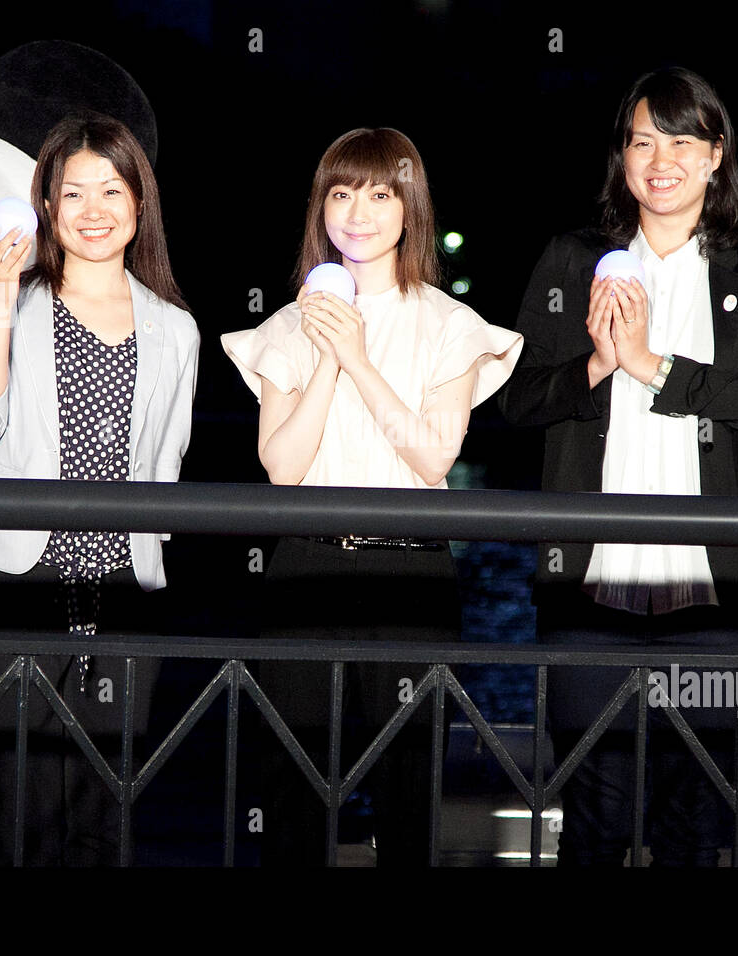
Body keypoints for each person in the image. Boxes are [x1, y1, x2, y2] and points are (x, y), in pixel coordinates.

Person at [499, 67, 738, 865]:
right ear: (621, 158)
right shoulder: (572, 260)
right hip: (589, 593)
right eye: (641, 141)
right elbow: (515, 403)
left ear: (715, 155)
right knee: (594, 822)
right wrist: (597, 366)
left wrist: (650, 363)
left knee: (699, 826)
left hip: (716, 600)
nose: (659, 159)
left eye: (681, 140)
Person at [221, 127, 522, 865]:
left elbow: (431, 455)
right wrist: (327, 359)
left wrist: (359, 355)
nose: (359, 211)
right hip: (306, 570)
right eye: (342, 192)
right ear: (321, 207)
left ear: (409, 205)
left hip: (409, 574)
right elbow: (283, 468)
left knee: (407, 791)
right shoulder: (290, 324)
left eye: (380, 193)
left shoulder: (449, 324)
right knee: (291, 787)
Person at [0, 112, 200, 865]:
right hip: (19, 576)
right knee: (21, 814)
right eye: (74, 193)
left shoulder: (174, 328)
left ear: (139, 205)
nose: (94, 211)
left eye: (112, 191)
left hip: (124, 588)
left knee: (105, 815)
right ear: (48, 208)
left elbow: (168, 465)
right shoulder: (13, 299)